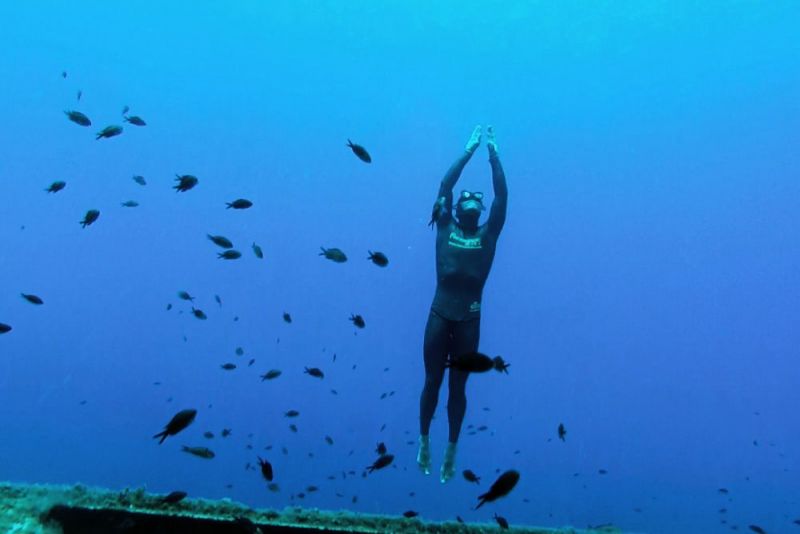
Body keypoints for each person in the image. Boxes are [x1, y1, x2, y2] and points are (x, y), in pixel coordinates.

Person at [418, 125, 507, 483]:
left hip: (469, 322)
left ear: (481, 209)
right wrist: (468, 150)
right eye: (464, 195)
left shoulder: (489, 233)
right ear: (457, 207)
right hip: (439, 316)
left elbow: (502, 195)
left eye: (477, 196)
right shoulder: (445, 225)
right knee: (432, 382)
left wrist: (494, 156)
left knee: (458, 389)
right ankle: (424, 441)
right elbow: (445, 186)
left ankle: (451, 452)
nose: (469, 197)